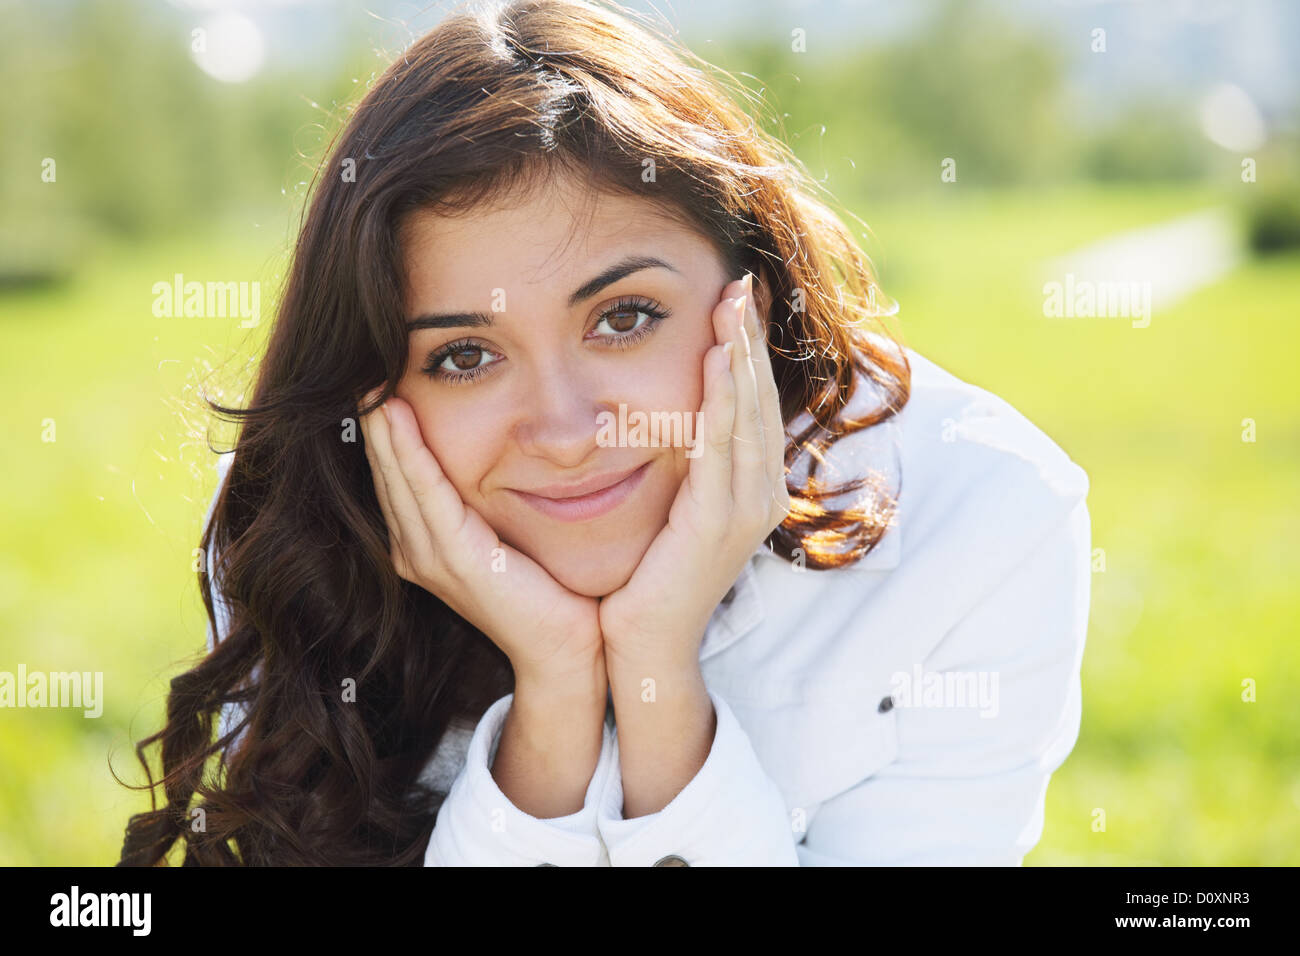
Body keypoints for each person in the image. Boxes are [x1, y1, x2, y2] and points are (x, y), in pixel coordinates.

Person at [117, 0, 1091, 867]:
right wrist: (555, 687)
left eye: (623, 317)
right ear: (375, 392)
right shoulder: (301, 524)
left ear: (750, 297)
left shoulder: (982, 516)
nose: (568, 431)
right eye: (464, 355)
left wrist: (657, 667)